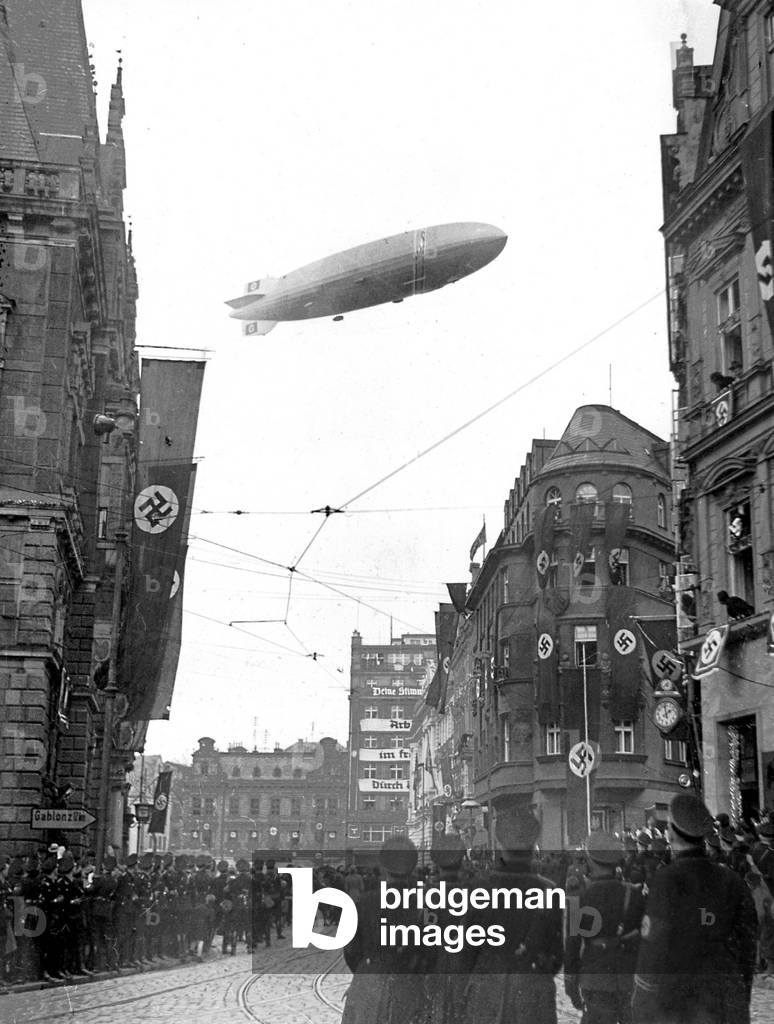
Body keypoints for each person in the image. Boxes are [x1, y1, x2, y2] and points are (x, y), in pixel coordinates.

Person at [632, 793, 758, 1024]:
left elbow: (653, 952)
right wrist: (740, 997)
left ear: (670, 833)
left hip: (680, 1006)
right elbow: (748, 948)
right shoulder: (732, 881)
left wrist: (641, 1007)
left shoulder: (666, 881)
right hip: (725, 1003)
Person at [462, 800, 563, 1024]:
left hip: (488, 989)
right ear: (534, 842)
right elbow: (557, 954)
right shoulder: (550, 891)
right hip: (533, 990)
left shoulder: (480, 888)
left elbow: (467, 950)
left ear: (499, 842)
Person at [342, 836, 429, 1024]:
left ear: (383, 865)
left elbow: (351, 950)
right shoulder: (426, 903)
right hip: (411, 984)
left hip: (371, 981)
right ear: (412, 866)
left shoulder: (365, 902)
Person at [564, 831, 645, 1024]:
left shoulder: (580, 899)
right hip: (629, 977)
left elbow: (573, 944)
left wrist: (571, 983)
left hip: (595, 978)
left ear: (590, 861)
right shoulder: (634, 895)